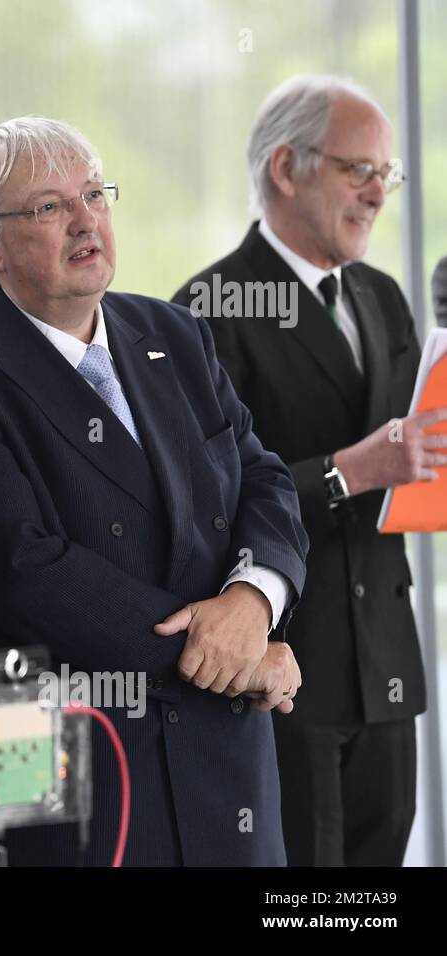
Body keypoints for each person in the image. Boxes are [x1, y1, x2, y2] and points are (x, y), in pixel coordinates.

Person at [0, 116, 308, 865]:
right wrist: (237, 660)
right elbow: (24, 568)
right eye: (50, 207)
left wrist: (254, 605)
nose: (86, 220)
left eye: (94, 194)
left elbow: (264, 479)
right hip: (52, 753)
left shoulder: (176, 333)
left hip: (221, 759)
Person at [174, 75, 430, 866]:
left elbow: (411, 448)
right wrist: (351, 471)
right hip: (285, 665)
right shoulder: (207, 308)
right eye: (359, 170)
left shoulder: (385, 298)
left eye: (386, 176)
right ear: (287, 169)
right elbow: (201, 504)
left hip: (385, 655)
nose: (377, 194)